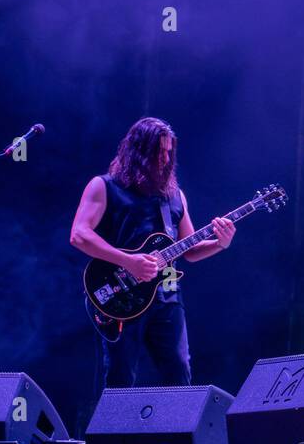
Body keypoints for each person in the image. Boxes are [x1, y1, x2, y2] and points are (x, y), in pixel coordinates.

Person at [70, 117, 235, 388]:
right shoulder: (105, 186)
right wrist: (128, 261)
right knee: (121, 377)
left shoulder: (175, 196)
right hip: (121, 296)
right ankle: (114, 431)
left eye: (169, 151)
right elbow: (79, 235)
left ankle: (178, 431)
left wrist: (220, 243)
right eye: (159, 151)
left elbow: (190, 250)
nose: (165, 158)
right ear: (137, 150)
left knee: (180, 372)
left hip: (168, 295)